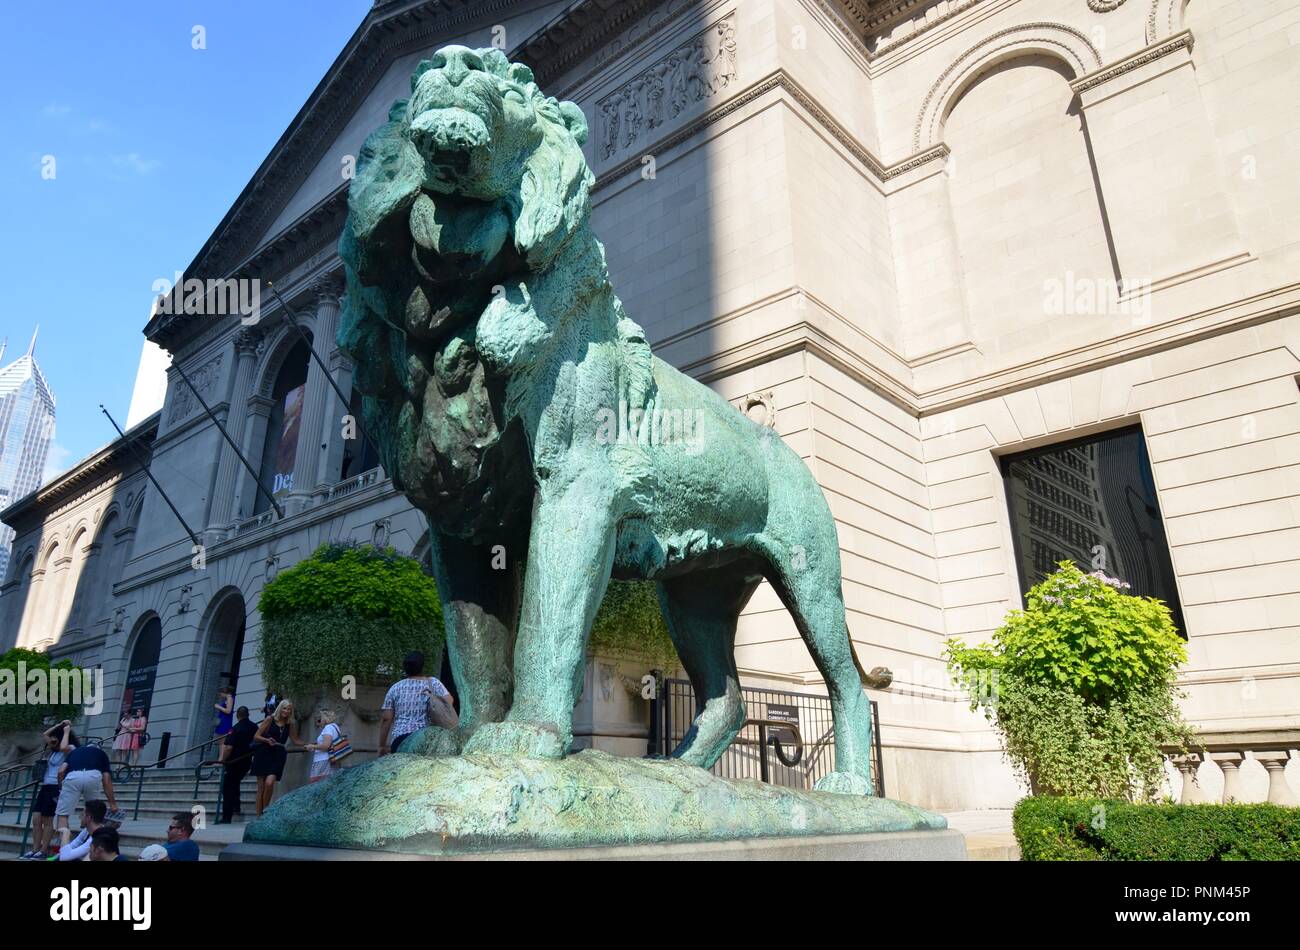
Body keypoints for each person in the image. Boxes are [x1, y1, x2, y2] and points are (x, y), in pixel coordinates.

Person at [55, 730, 122, 848]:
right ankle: (92, 845)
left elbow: (61, 771)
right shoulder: (101, 754)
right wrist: (112, 804)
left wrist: (61, 787)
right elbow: (106, 780)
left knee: (63, 815)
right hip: (93, 776)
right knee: (94, 813)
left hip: (73, 776)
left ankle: (64, 846)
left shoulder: (75, 752)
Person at [380, 651, 453, 755]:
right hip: (426, 737)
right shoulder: (433, 683)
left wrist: (381, 746)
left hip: (400, 739)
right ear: (422, 667)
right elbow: (449, 701)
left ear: (404, 668)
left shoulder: (395, 688)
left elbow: (386, 718)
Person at [20, 721, 70, 859]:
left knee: (48, 820)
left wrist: (65, 731)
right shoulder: (53, 752)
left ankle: (43, 850)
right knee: (36, 819)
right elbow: (45, 734)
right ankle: (35, 849)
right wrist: (59, 724)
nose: (51, 739)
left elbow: (64, 745)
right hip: (45, 786)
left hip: (55, 787)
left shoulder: (67, 749)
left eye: (55, 737)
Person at [250, 699, 301, 816]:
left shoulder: (290, 724)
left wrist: (311, 744)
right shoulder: (269, 719)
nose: (286, 711)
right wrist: (267, 740)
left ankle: (266, 810)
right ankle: (259, 816)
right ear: (280, 708)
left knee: (270, 783)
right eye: (284, 708)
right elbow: (256, 736)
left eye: (289, 709)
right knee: (261, 786)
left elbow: (296, 740)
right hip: (263, 753)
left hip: (278, 754)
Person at [218, 706, 257, 823]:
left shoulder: (235, 728)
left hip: (234, 761)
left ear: (237, 715)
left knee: (228, 788)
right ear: (248, 714)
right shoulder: (255, 727)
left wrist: (222, 760)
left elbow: (229, 747)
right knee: (235, 783)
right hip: (247, 761)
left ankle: (226, 817)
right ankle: (236, 806)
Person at [304, 708, 342, 784]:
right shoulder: (335, 727)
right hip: (332, 759)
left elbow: (326, 746)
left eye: (319, 720)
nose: (318, 723)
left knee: (317, 785)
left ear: (324, 719)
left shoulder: (328, 728)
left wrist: (312, 746)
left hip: (323, 761)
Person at [213, 687, 235, 762]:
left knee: (222, 742)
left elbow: (228, 711)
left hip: (225, 722)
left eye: (220, 694)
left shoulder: (230, 698)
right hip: (223, 721)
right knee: (221, 742)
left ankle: (221, 759)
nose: (221, 696)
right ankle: (220, 759)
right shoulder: (228, 699)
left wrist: (218, 707)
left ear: (223, 692)